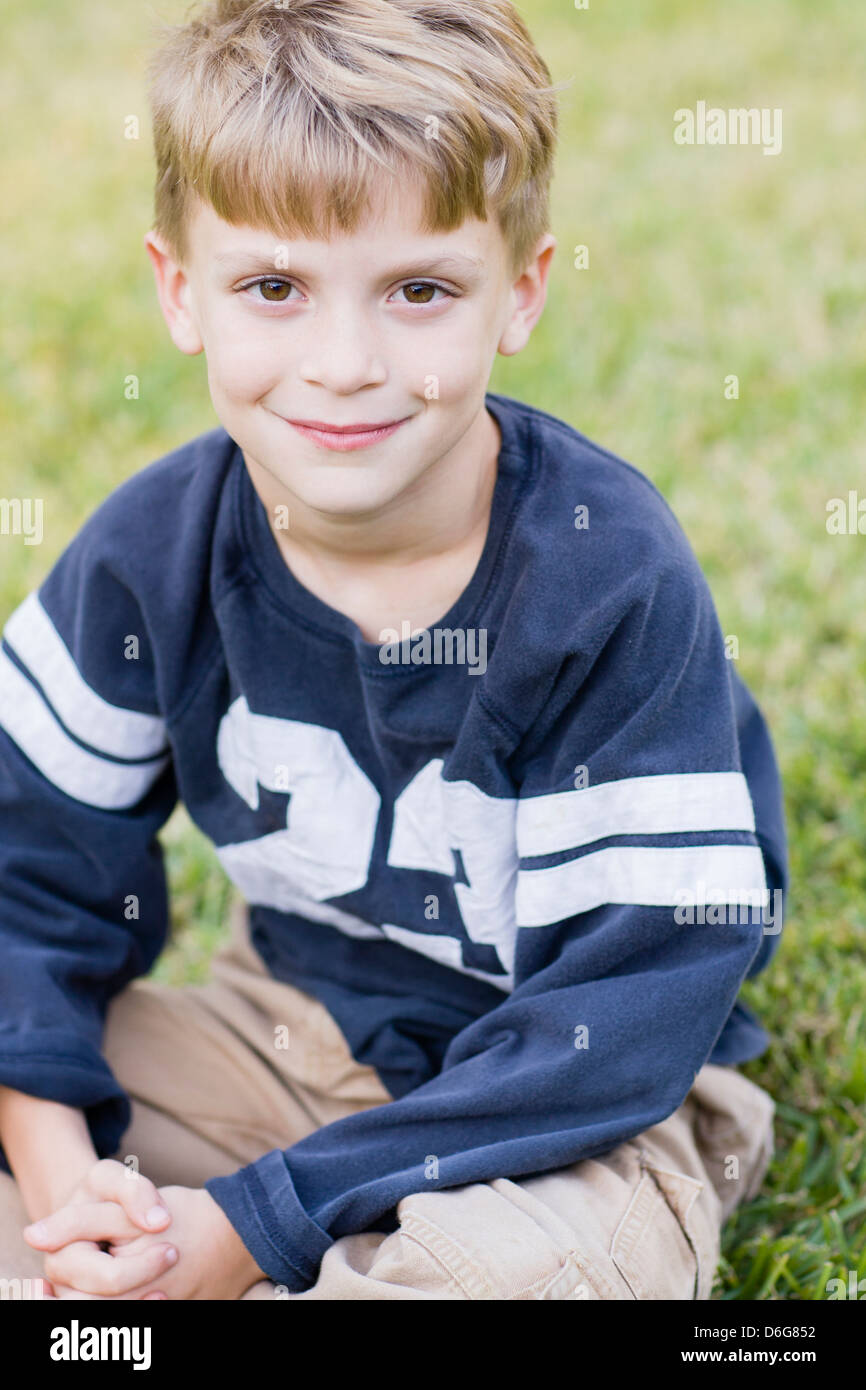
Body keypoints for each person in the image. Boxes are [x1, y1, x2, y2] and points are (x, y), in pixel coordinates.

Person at [0, 0, 787, 1301]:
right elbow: (25, 874)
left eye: (419, 289)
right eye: (273, 288)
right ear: (180, 290)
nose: (345, 362)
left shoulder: (606, 580)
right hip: (281, 1031)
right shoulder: (151, 554)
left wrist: (253, 1226)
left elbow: (630, 1006)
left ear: (518, 291)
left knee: (540, 1278)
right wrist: (58, 1176)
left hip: (569, 1106)